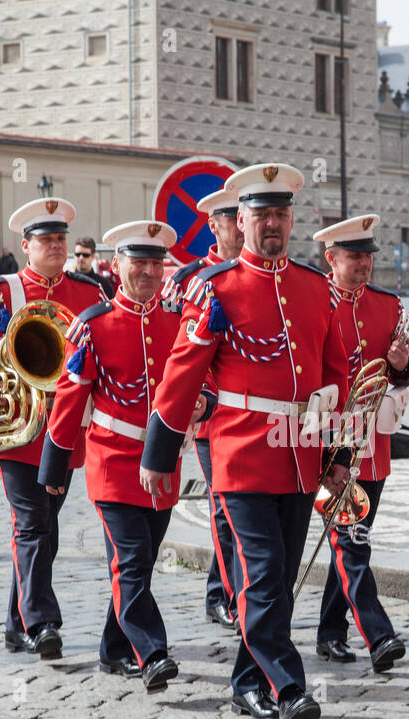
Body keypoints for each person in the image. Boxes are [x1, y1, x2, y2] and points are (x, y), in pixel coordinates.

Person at [139, 162, 351, 719]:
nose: (273, 225)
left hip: (300, 455)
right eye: (261, 216)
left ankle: (244, 681)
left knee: (278, 581)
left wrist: (337, 453)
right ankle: (288, 688)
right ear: (241, 221)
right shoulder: (215, 289)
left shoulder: (314, 289)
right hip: (239, 453)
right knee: (260, 576)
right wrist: (160, 456)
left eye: (282, 214)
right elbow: (181, 376)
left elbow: (334, 377)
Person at [40, 219, 200, 691]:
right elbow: (71, 395)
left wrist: (205, 400)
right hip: (111, 461)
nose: (149, 271)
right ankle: (152, 652)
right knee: (131, 560)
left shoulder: (177, 323)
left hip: (164, 464)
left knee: (140, 560)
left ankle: (112, 648)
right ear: (117, 266)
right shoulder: (92, 325)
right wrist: (54, 465)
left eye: (156, 262)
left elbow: (202, 378)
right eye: (139, 262)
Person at [0, 197, 107, 660]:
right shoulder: (4, 290)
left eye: (61, 239)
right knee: (32, 524)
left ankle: (16, 624)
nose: (56, 247)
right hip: (18, 428)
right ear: (26, 246)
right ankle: (42, 623)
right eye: (46, 240)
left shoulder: (91, 292)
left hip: (66, 428)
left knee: (47, 528)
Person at [310, 214, 409, 672]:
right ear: (331, 258)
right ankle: (379, 634)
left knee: (353, 536)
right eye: (354, 257)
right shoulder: (313, 301)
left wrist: (401, 363)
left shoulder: (388, 304)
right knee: (350, 541)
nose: (364, 265)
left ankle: (330, 632)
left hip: (370, 441)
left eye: (368, 257)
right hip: (326, 437)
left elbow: (406, 370)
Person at [160, 185, 245, 632]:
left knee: (239, 509)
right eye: (232, 217)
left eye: (243, 214)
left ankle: (225, 590)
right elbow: (175, 350)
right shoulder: (189, 279)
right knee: (224, 508)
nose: (241, 224)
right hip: (213, 415)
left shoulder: (263, 274)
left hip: (257, 415)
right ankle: (227, 595)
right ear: (214, 224)